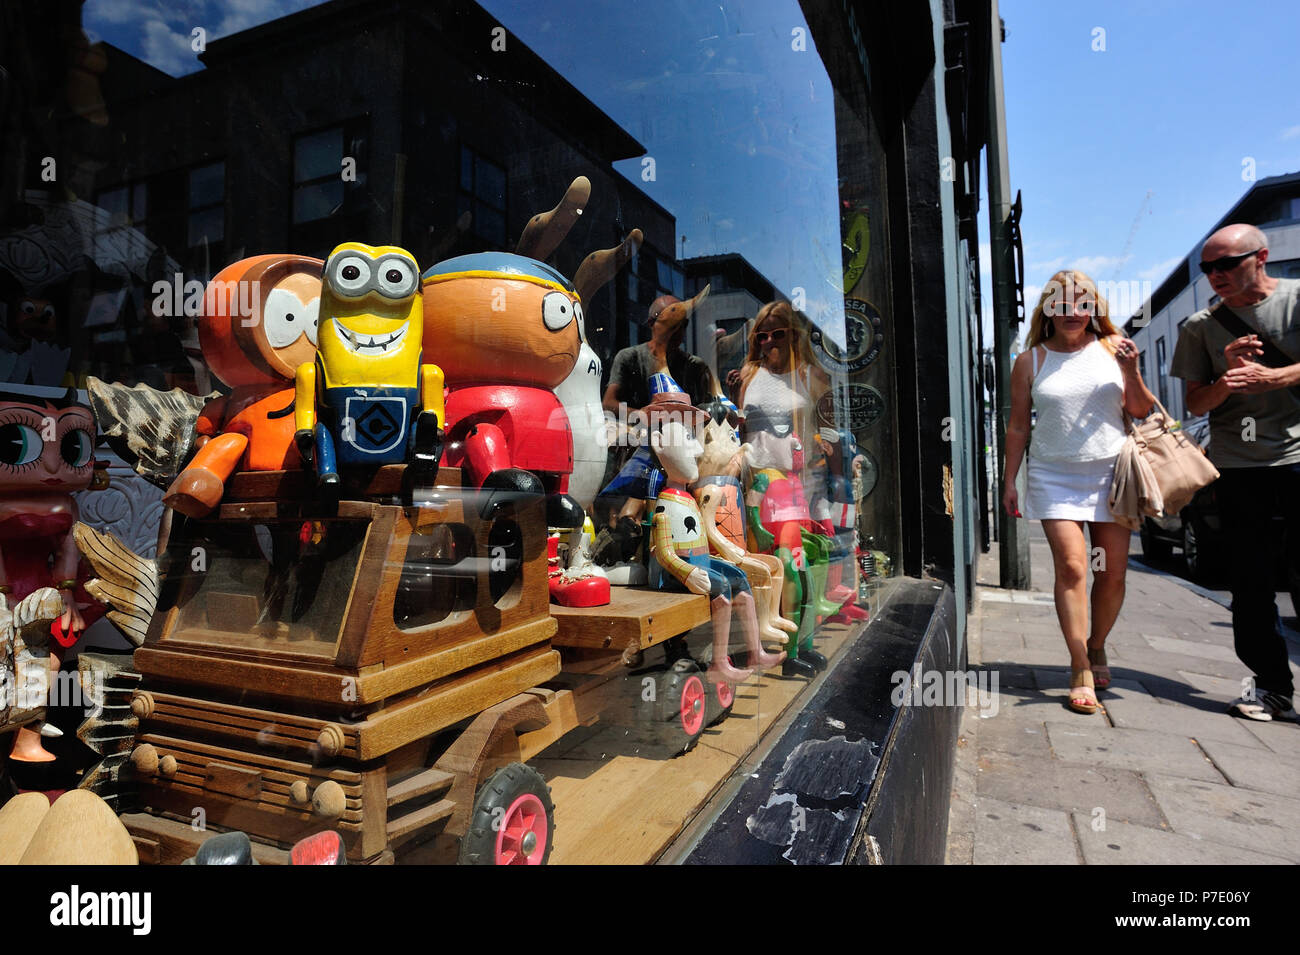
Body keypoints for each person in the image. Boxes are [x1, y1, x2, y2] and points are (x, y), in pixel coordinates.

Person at [1002, 270, 1155, 715]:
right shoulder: (1030, 360)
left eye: (1082, 304)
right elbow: (1016, 426)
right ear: (1046, 309)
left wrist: (1130, 370)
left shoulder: (1111, 350)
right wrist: (1009, 480)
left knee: (1112, 574)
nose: (1072, 313)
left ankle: (1098, 643)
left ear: (1093, 309)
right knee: (1072, 567)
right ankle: (1079, 665)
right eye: (1061, 304)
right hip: (1054, 476)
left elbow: (1141, 410)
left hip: (1112, 477)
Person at [1170, 223, 1300, 722]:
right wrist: (1226, 379)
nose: (1215, 276)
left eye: (1226, 265)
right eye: (1207, 269)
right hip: (1239, 463)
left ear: (1261, 257)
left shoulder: (1294, 300)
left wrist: (1276, 376)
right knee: (1249, 582)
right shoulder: (1200, 326)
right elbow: (1196, 402)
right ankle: (1271, 688)